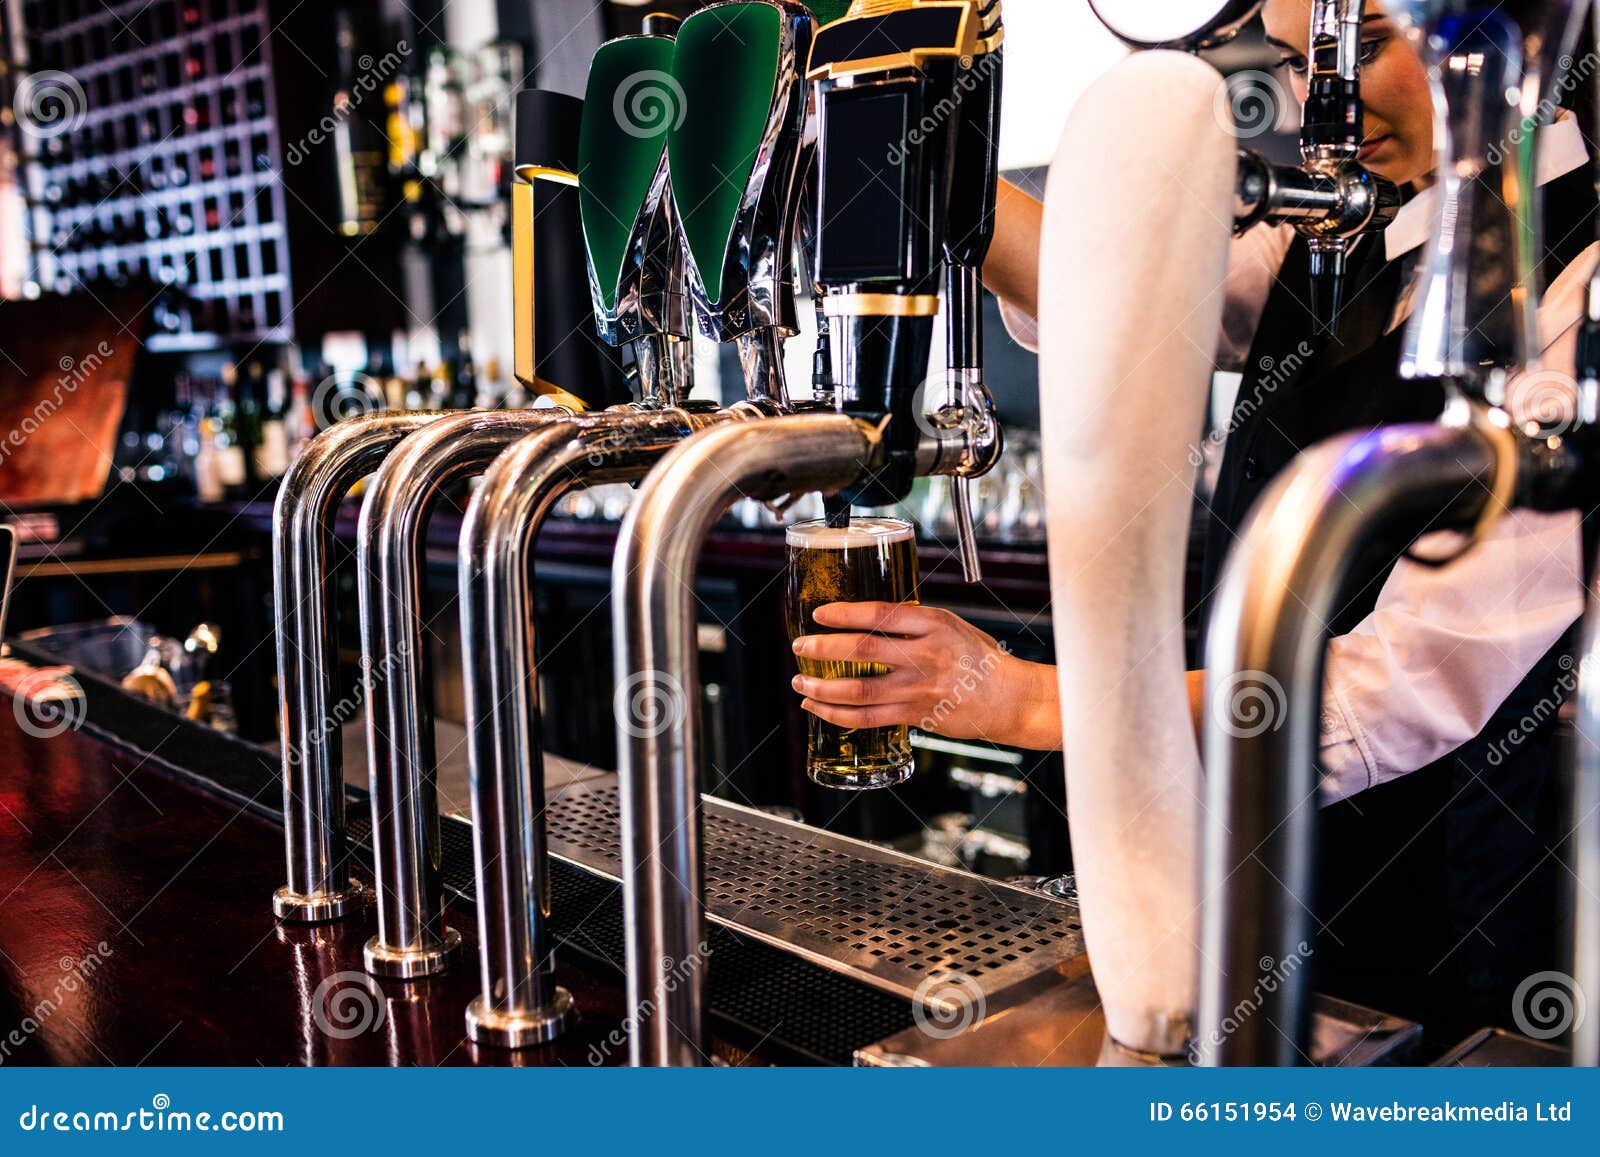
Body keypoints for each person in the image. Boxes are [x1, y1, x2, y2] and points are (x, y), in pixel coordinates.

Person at [789, 0, 1597, 1044]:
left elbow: (1403, 684)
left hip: (1440, 906)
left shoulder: (1578, 283)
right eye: (1299, 64)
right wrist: (918, 157)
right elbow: (1109, 294)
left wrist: (1021, 699)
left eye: (1360, 49)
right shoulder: (1344, 235)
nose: (1320, 104)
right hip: (1258, 859)